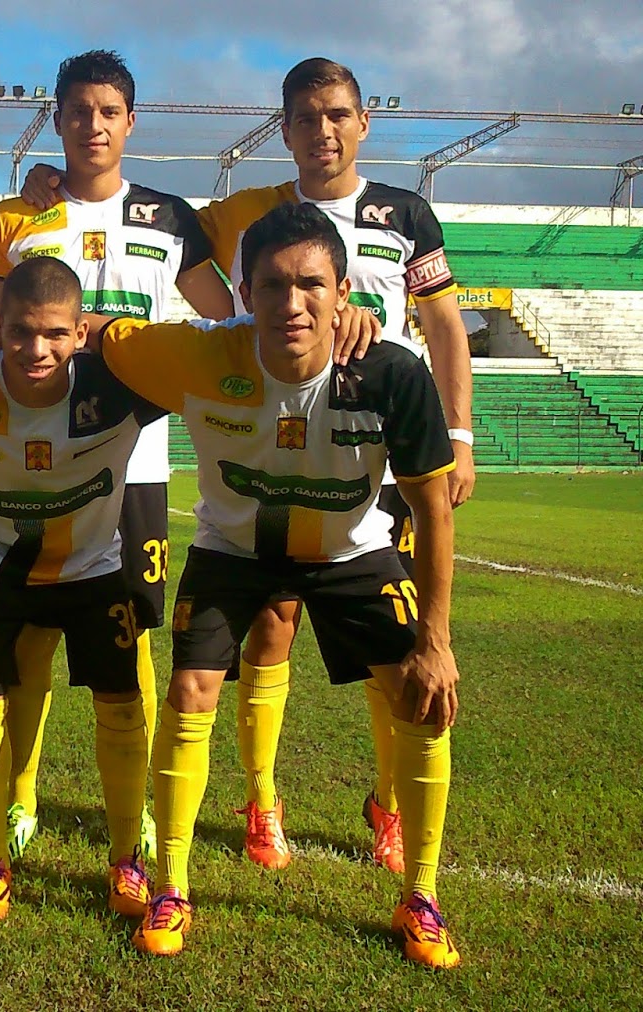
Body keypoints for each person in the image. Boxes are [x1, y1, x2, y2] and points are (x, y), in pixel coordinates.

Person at [87, 203, 460, 968]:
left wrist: (438, 641)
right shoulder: (192, 354)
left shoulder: (391, 373)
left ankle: (420, 896)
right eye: (273, 286)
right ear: (243, 291)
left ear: (343, 290)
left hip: (352, 552)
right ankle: (173, 887)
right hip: (233, 551)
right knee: (191, 690)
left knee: (424, 699)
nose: (292, 304)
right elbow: (93, 332)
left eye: (312, 285)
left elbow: (431, 508)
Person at [192, 58, 474, 872]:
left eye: (339, 115)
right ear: (283, 130)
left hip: (387, 451)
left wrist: (459, 439)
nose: (324, 132)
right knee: (272, 625)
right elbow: (160, 222)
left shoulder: (406, 213)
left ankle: (388, 804)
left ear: (363, 124)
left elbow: (446, 327)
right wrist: (45, 183)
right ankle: (262, 800)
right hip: (287, 446)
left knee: (401, 644)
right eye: (307, 118)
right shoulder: (252, 212)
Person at [0, 50, 234, 863]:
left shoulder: (169, 216)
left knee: (133, 635)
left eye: (108, 111)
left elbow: (220, 323)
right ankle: (19, 796)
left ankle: (141, 810)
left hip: (138, 461)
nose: (92, 125)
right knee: (30, 639)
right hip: (35, 458)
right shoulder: (19, 220)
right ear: (56, 119)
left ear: (130, 121)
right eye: (78, 111)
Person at [0, 256, 164, 923]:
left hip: (92, 571)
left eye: (54, 333)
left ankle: (127, 856)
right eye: (19, 332)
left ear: (81, 332)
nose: (36, 349)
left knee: (120, 703)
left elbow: (207, 342)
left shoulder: (124, 381)